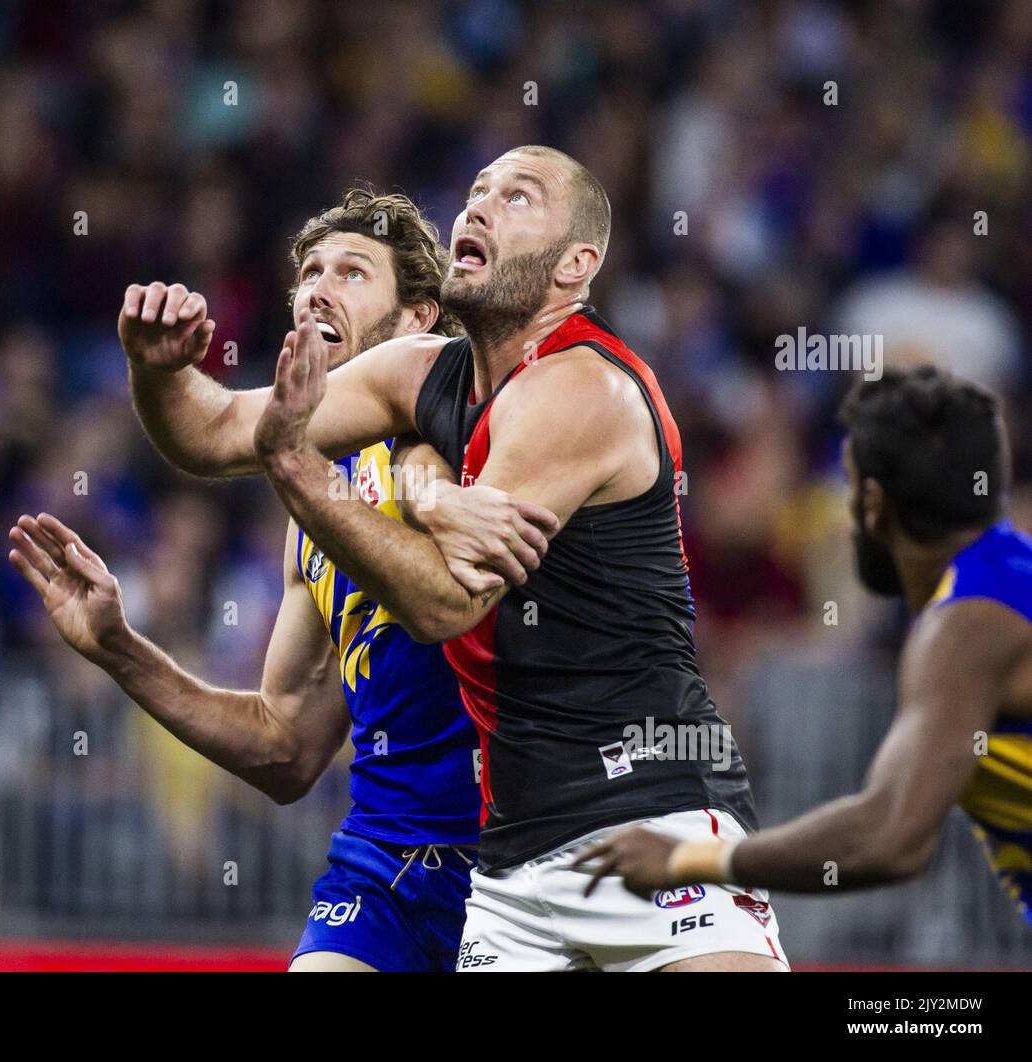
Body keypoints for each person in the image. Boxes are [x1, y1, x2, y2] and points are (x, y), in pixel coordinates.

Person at [121, 146, 788, 971]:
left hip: (649, 814)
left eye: (518, 197)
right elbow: (215, 431)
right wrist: (157, 373)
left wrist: (303, 467)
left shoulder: (581, 388)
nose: (479, 207)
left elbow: (442, 604)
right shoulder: (420, 380)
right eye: (476, 191)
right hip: (513, 864)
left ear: (576, 265)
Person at [10, 189, 553, 972]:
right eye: (309, 271)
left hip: (530, 863)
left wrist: (427, 496)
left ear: (418, 321)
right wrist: (118, 647)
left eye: (354, 270)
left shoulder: (476, 418)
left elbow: (439, 587)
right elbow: (286, 748)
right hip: (387, 867)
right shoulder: (315, 509)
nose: (318, 287)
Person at [572, 367, 1032, 927]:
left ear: (873, 503)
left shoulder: (969, 620)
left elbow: (891, 837)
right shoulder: (1005, 580)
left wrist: (686, 857)